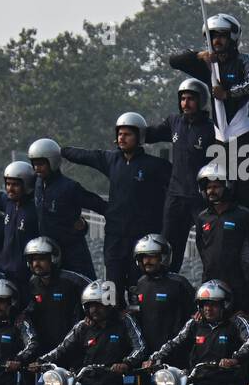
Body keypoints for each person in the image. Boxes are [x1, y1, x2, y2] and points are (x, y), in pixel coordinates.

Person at [62, 112, 173, 292]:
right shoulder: (111, 160)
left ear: (139, 137)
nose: (122, 137)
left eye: (127, 134)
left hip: (142, 239)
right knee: (113, 288)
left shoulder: (156, 165)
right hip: (115, 237)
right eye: (120, 134)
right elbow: (85, 155)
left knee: (140, 287)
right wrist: (60, 150)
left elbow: (177, 188)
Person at [167, 12, 249, 208]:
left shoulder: (245, 61)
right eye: (212, 36)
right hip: (219, 141)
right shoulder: (208, 65)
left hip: (243, 137)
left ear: (232, 36)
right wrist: (198, 56)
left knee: (243, 199)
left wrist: (228, 93)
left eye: (221, 35)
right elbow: (174, 60)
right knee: (220, 197)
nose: (216, 40)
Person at [38, 279, 146, 385]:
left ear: (110, 304)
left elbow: (139, 347)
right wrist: (41, 361)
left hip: (118, 382)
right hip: (88, 380)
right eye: (90, 305)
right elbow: (62, 348)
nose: (94, 309)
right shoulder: (83, 327)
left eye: (99, 304)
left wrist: (127, 363)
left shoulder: (124, 322)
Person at [144, 79, 219, 271]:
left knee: (210, 248)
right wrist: (131, 131)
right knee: (168, 247)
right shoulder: (174, 122)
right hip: (175, 197)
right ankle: (168, 287)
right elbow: (150, 134)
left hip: (201, 199)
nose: (185, 103)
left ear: (201, 101)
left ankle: (212, 288)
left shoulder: (212, 129)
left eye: (191, 99)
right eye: (183, 98)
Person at [27, 138, 104, 279]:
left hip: (73, 252)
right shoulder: (37, 184)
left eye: (41, 164)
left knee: (85, 286)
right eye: (34, 164)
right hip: (48, 253)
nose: (37, 168)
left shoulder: (69, 187)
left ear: (53, 162)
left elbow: (98, 204)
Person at [194, 163, 249, 312]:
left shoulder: (245, 216)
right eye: (208, 187)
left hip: (239, 284)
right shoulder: (202, 218)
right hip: (211, 282)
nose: (211, 191)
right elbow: (201, 247)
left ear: (227, 186)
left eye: (216, 187)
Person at [18, 236, 89, 358]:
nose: (36, 264)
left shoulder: (72, 280)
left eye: (41, 259)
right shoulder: (32, 284)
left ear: (53, 258)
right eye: (33, 260)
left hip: (71, 346)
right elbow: (28, 309)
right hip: (43, 348)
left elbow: (97, 293)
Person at [127, 234, 197, 357]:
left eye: (152, 256)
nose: (147, 261)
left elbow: (194, 318)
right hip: (147, 352)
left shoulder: (179, 283)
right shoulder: (140, 283)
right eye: (144, 257)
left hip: (175, 353)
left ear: (163, 257)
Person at [0, 161, 41, 290]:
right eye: (8, 184)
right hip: (5, 272)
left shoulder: (36, 209)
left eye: (15, 185)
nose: (10, 189)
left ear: (27, 184)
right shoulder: (8, 204)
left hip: (27, 275)